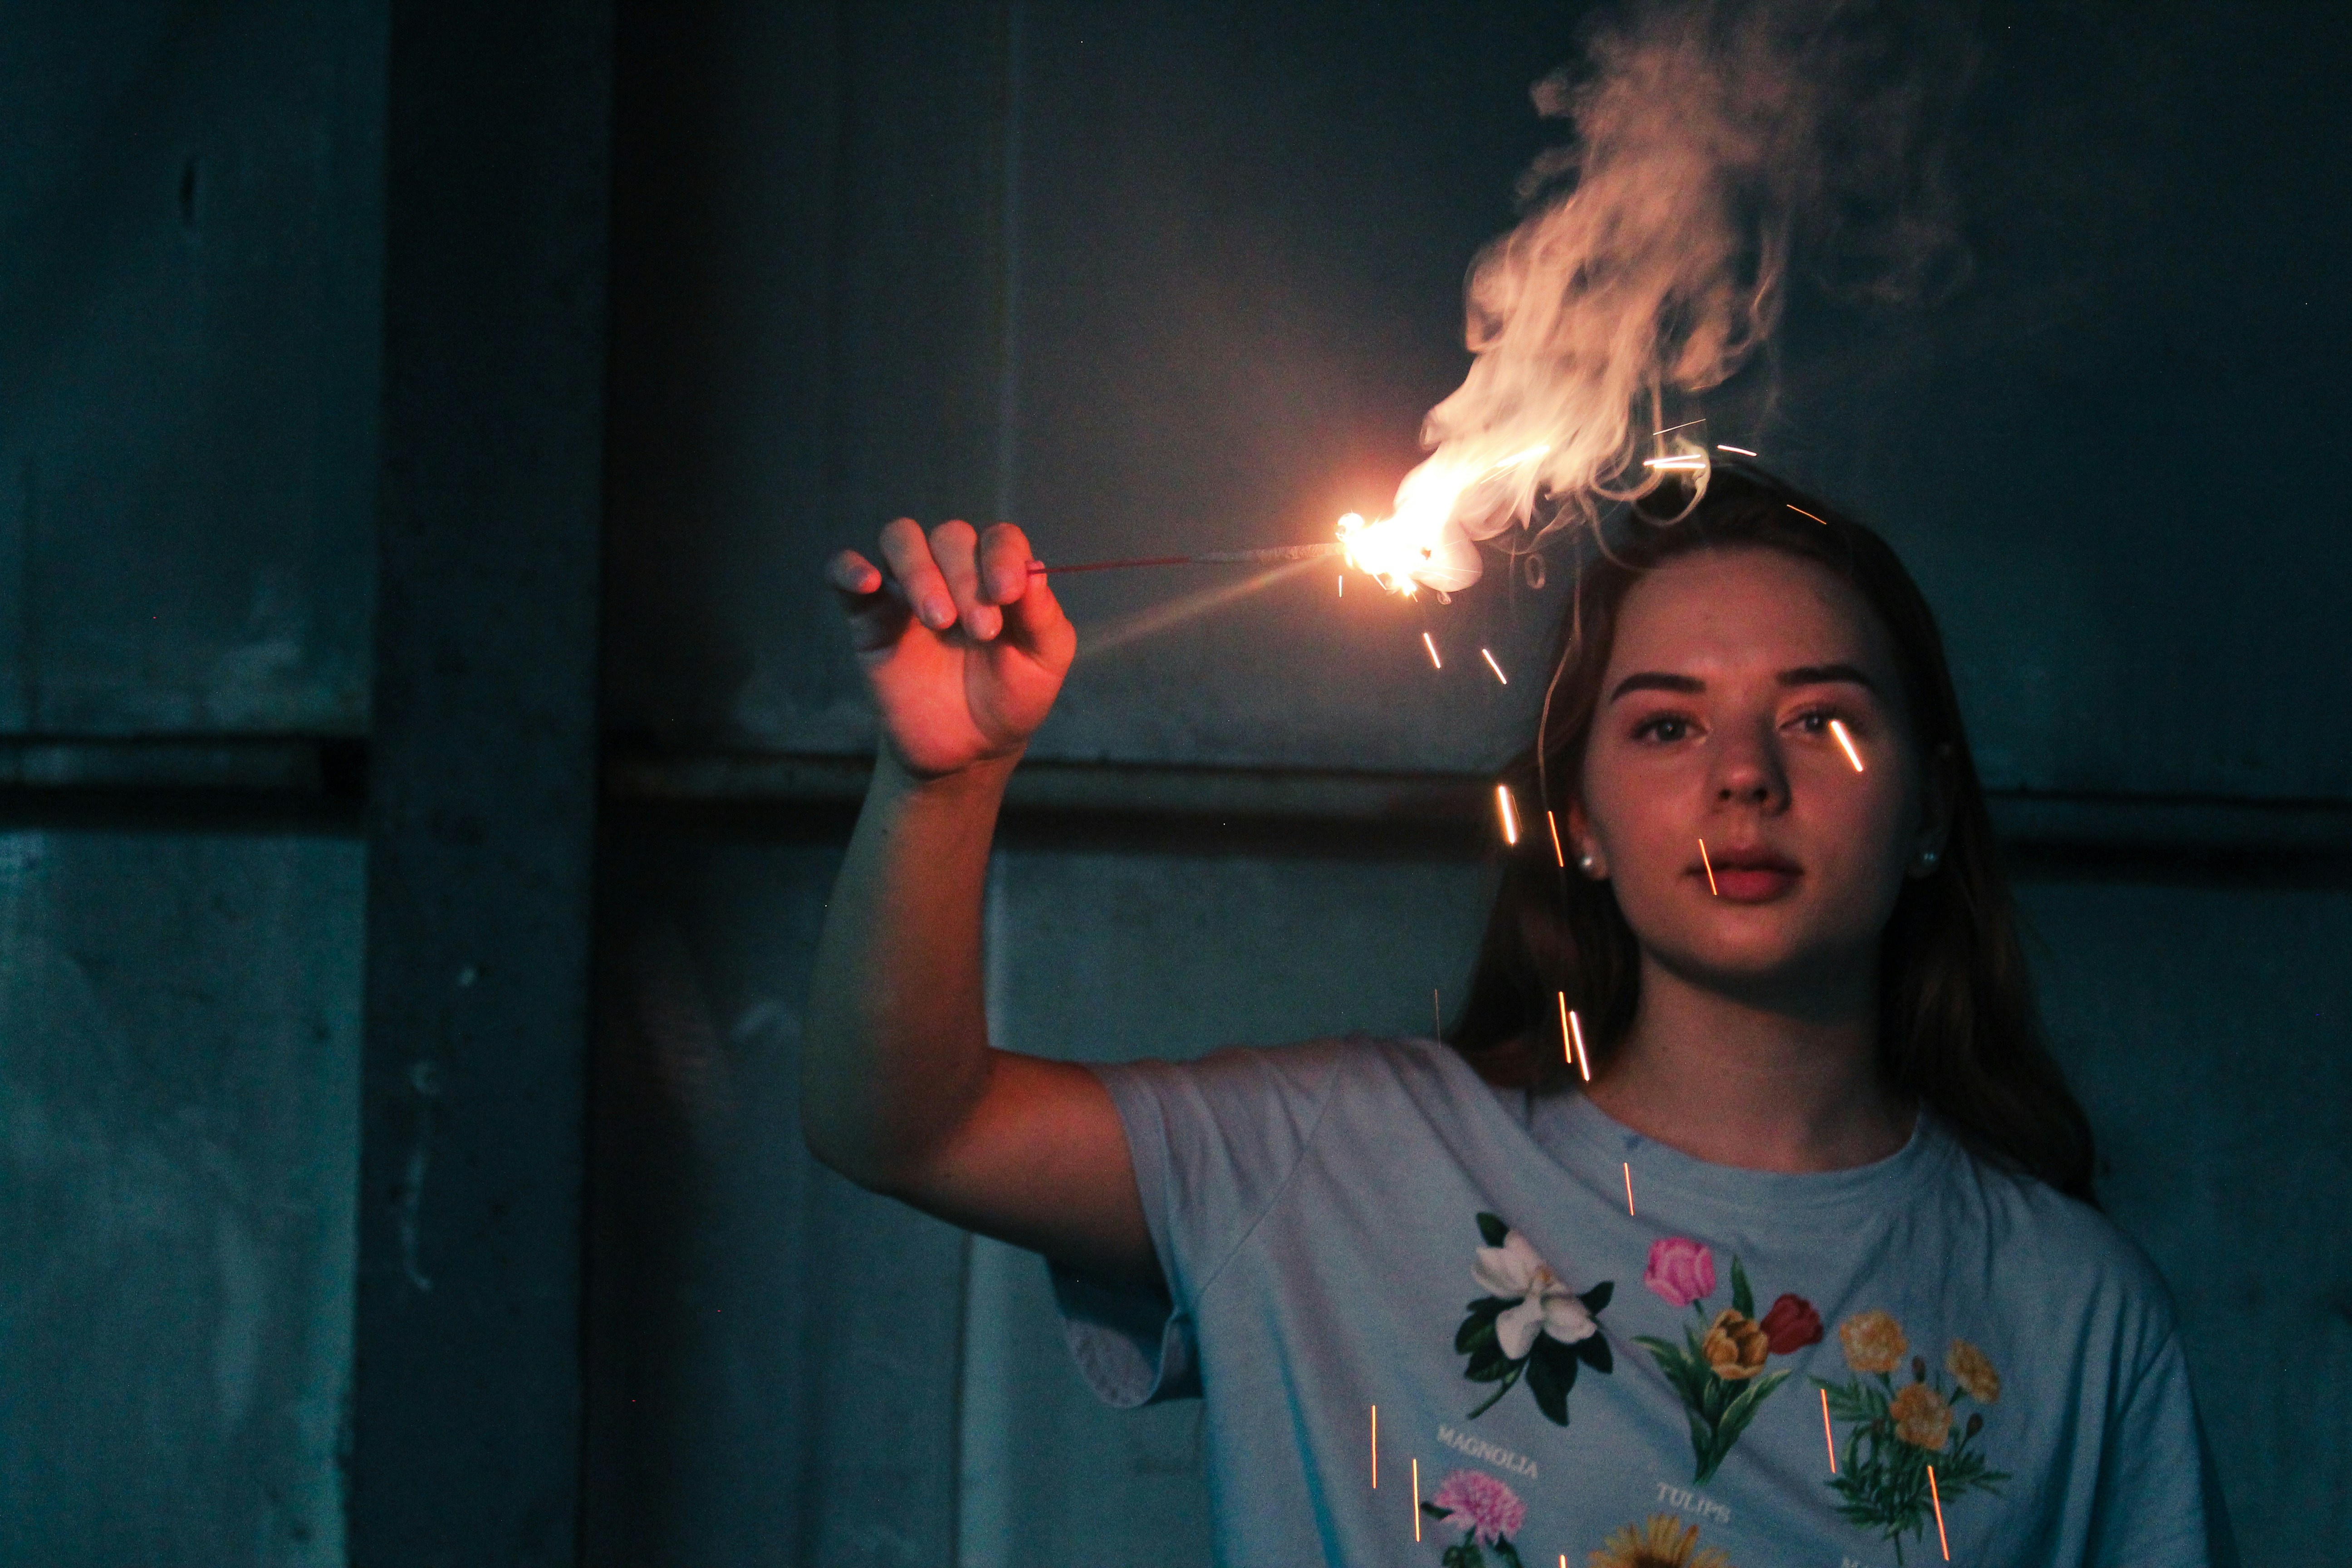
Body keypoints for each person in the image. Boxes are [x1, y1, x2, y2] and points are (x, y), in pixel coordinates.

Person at [805, 468, 2234, 1567]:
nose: (1744, 776)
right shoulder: (1338, 1160)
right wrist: (944, 779)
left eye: (1819, 718)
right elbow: (906, 1126)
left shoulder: (2074, 1308)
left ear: (1927, 804)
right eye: (1666, 724)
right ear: (1583, 822)